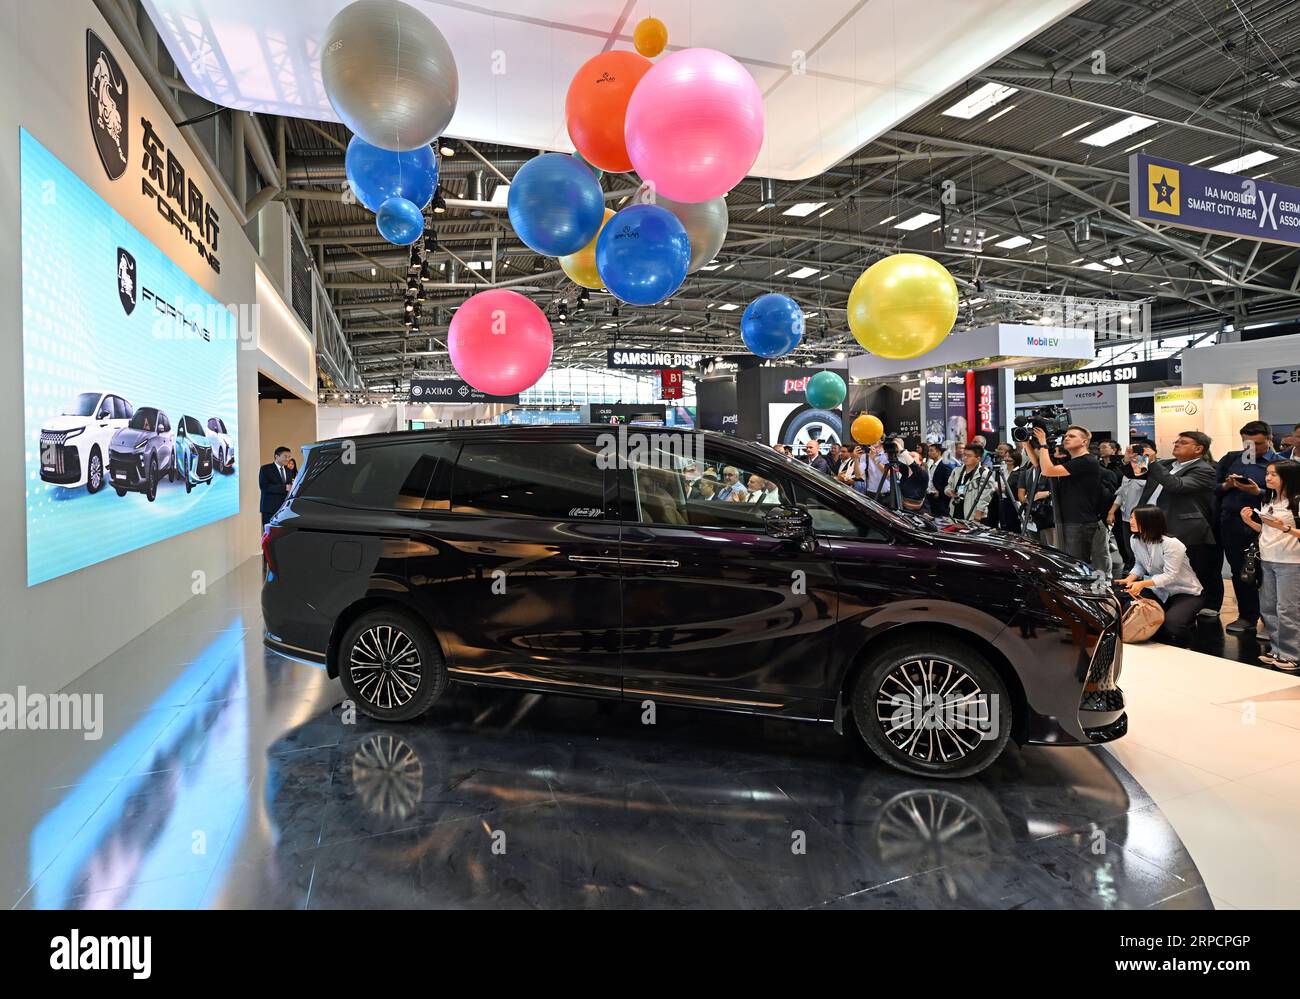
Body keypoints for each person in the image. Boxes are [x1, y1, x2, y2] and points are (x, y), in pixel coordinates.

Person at [1136, 432, 1222, 617]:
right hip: (1153, 523)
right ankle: (1169, 600)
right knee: (1161, 565)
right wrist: (1136, 460)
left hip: (1184, 525)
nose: (1176, 444)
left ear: (1198, 449)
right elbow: (1138, 475)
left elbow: (1176, 485)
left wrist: (1153, 463)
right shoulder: (1166, 464)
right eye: (1176, 441)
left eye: (1183, 442)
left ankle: (1208, 604)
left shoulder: (1204, 469)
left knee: (1196, 567)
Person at [1215, 421, 1281, 634]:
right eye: (1247, 443)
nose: (1252, 448)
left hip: (1266, 523)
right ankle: (1247, 615)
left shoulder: (1280, 464)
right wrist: (1227, 485)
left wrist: (1258, 492)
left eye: (1258, 444)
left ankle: (1272, 619)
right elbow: (1213, 487)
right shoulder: (1231, 459)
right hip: (1232, 521)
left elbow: (1288, 496)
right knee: (1239, 571)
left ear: (1269, 440)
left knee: (1268, 571)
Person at [1240, 460, 1300, 670]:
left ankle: (1292, 654)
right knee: (1268, 607)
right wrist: (1250, 522)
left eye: (1274, 474)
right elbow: (1268, 531)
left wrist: (1284, 528)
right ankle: (1277, 649)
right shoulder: (1269, 498)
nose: (1268, 478)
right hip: (1267, 559)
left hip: (1291, 561)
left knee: (1288, 609)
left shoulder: (1297, 501)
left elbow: (1284, 530)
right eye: (1267, 473)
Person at [1117, 505, 1204, 647]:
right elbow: (1140, 564)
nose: (1131, 521)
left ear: (1149, 521)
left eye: (1135, 518)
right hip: (1159, 591)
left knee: (1173, 624)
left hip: (1184, 592)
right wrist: (1130, 578)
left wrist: (1142, 584)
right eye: (1131, 517)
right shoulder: (1135, 539)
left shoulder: (1172, 544)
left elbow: (1170, 575)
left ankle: (1189, 643)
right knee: (1131, 607)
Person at [1026, 424, 1108, 571]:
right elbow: (1039, 465)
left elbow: (1048, 470)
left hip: (1081, 521)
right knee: (1070, 562)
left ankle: (1084, 591)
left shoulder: (1086, 461)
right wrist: (1026, 443)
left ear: (1084, 442)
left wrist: (1044, 444)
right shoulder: (1072, 462)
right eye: (1066, 436)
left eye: (1072, 436)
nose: (1066, 438)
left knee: (1077, 564)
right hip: (1071, 519)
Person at [1107, 446, 1146, 574]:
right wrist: (1112, 511)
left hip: (1141, 517)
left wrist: (1140, 461)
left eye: (1136, 454)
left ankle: (1140, 573)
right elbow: (1121, 494)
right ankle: (1131, 569)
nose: (1133, 456)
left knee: (1141, 548)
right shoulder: (1126, 474)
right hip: (1125, 516)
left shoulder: (1146, 473)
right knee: (1127, 547)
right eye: (1130, 453)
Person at [945, 443, 996, 522]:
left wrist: (978, 516)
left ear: (978, 458)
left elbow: (985, 498)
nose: (965, 458)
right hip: (955, 511)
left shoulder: (984, 474)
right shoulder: (957, 470)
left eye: (968, 456)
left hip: (973, 515)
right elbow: (948, 486)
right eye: (964, 455)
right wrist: (949, 492)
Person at [259, 446, 295, 528]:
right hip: (270, 509)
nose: (287, 459)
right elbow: (264, 487)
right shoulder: (265, 469)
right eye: (285, 456)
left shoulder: (289, 470)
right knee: (270, 535)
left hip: (284, 509)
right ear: (276, 456)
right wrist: (284, 488)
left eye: (289, 457)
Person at [925, 442, 953, 516]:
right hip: (931, 498)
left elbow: (949, 483)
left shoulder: (945, 465)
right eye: (928, 450)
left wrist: (940, 493)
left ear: (939, 452)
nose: (929, 453)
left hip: (941, 500)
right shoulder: (932, 465)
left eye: (931, 450)